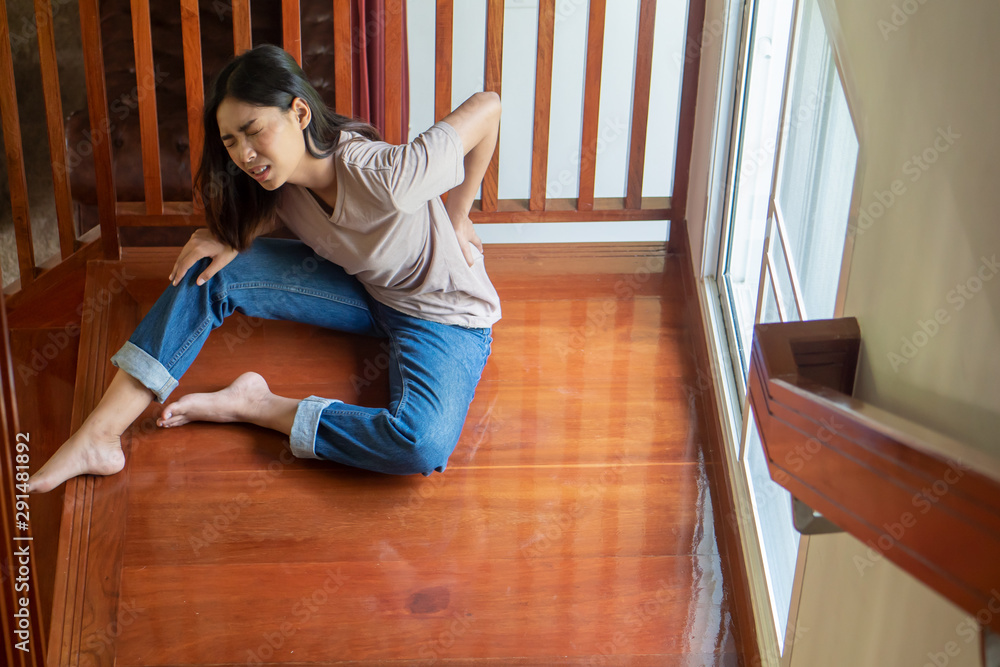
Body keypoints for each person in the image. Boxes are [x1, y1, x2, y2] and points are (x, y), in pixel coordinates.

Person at [27, 44, 501, 493]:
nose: (244, 153)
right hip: (367, 293)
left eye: (254, 130)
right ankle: (99, 436)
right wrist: (232, 235)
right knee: (210, 269)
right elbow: (287, 215)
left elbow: (488, 106)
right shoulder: (279, 186)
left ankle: (257, 406)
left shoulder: (388, 176)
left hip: (445, 317)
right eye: (231, 140)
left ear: (299, 112)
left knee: (420, 443)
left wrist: (459, 217)